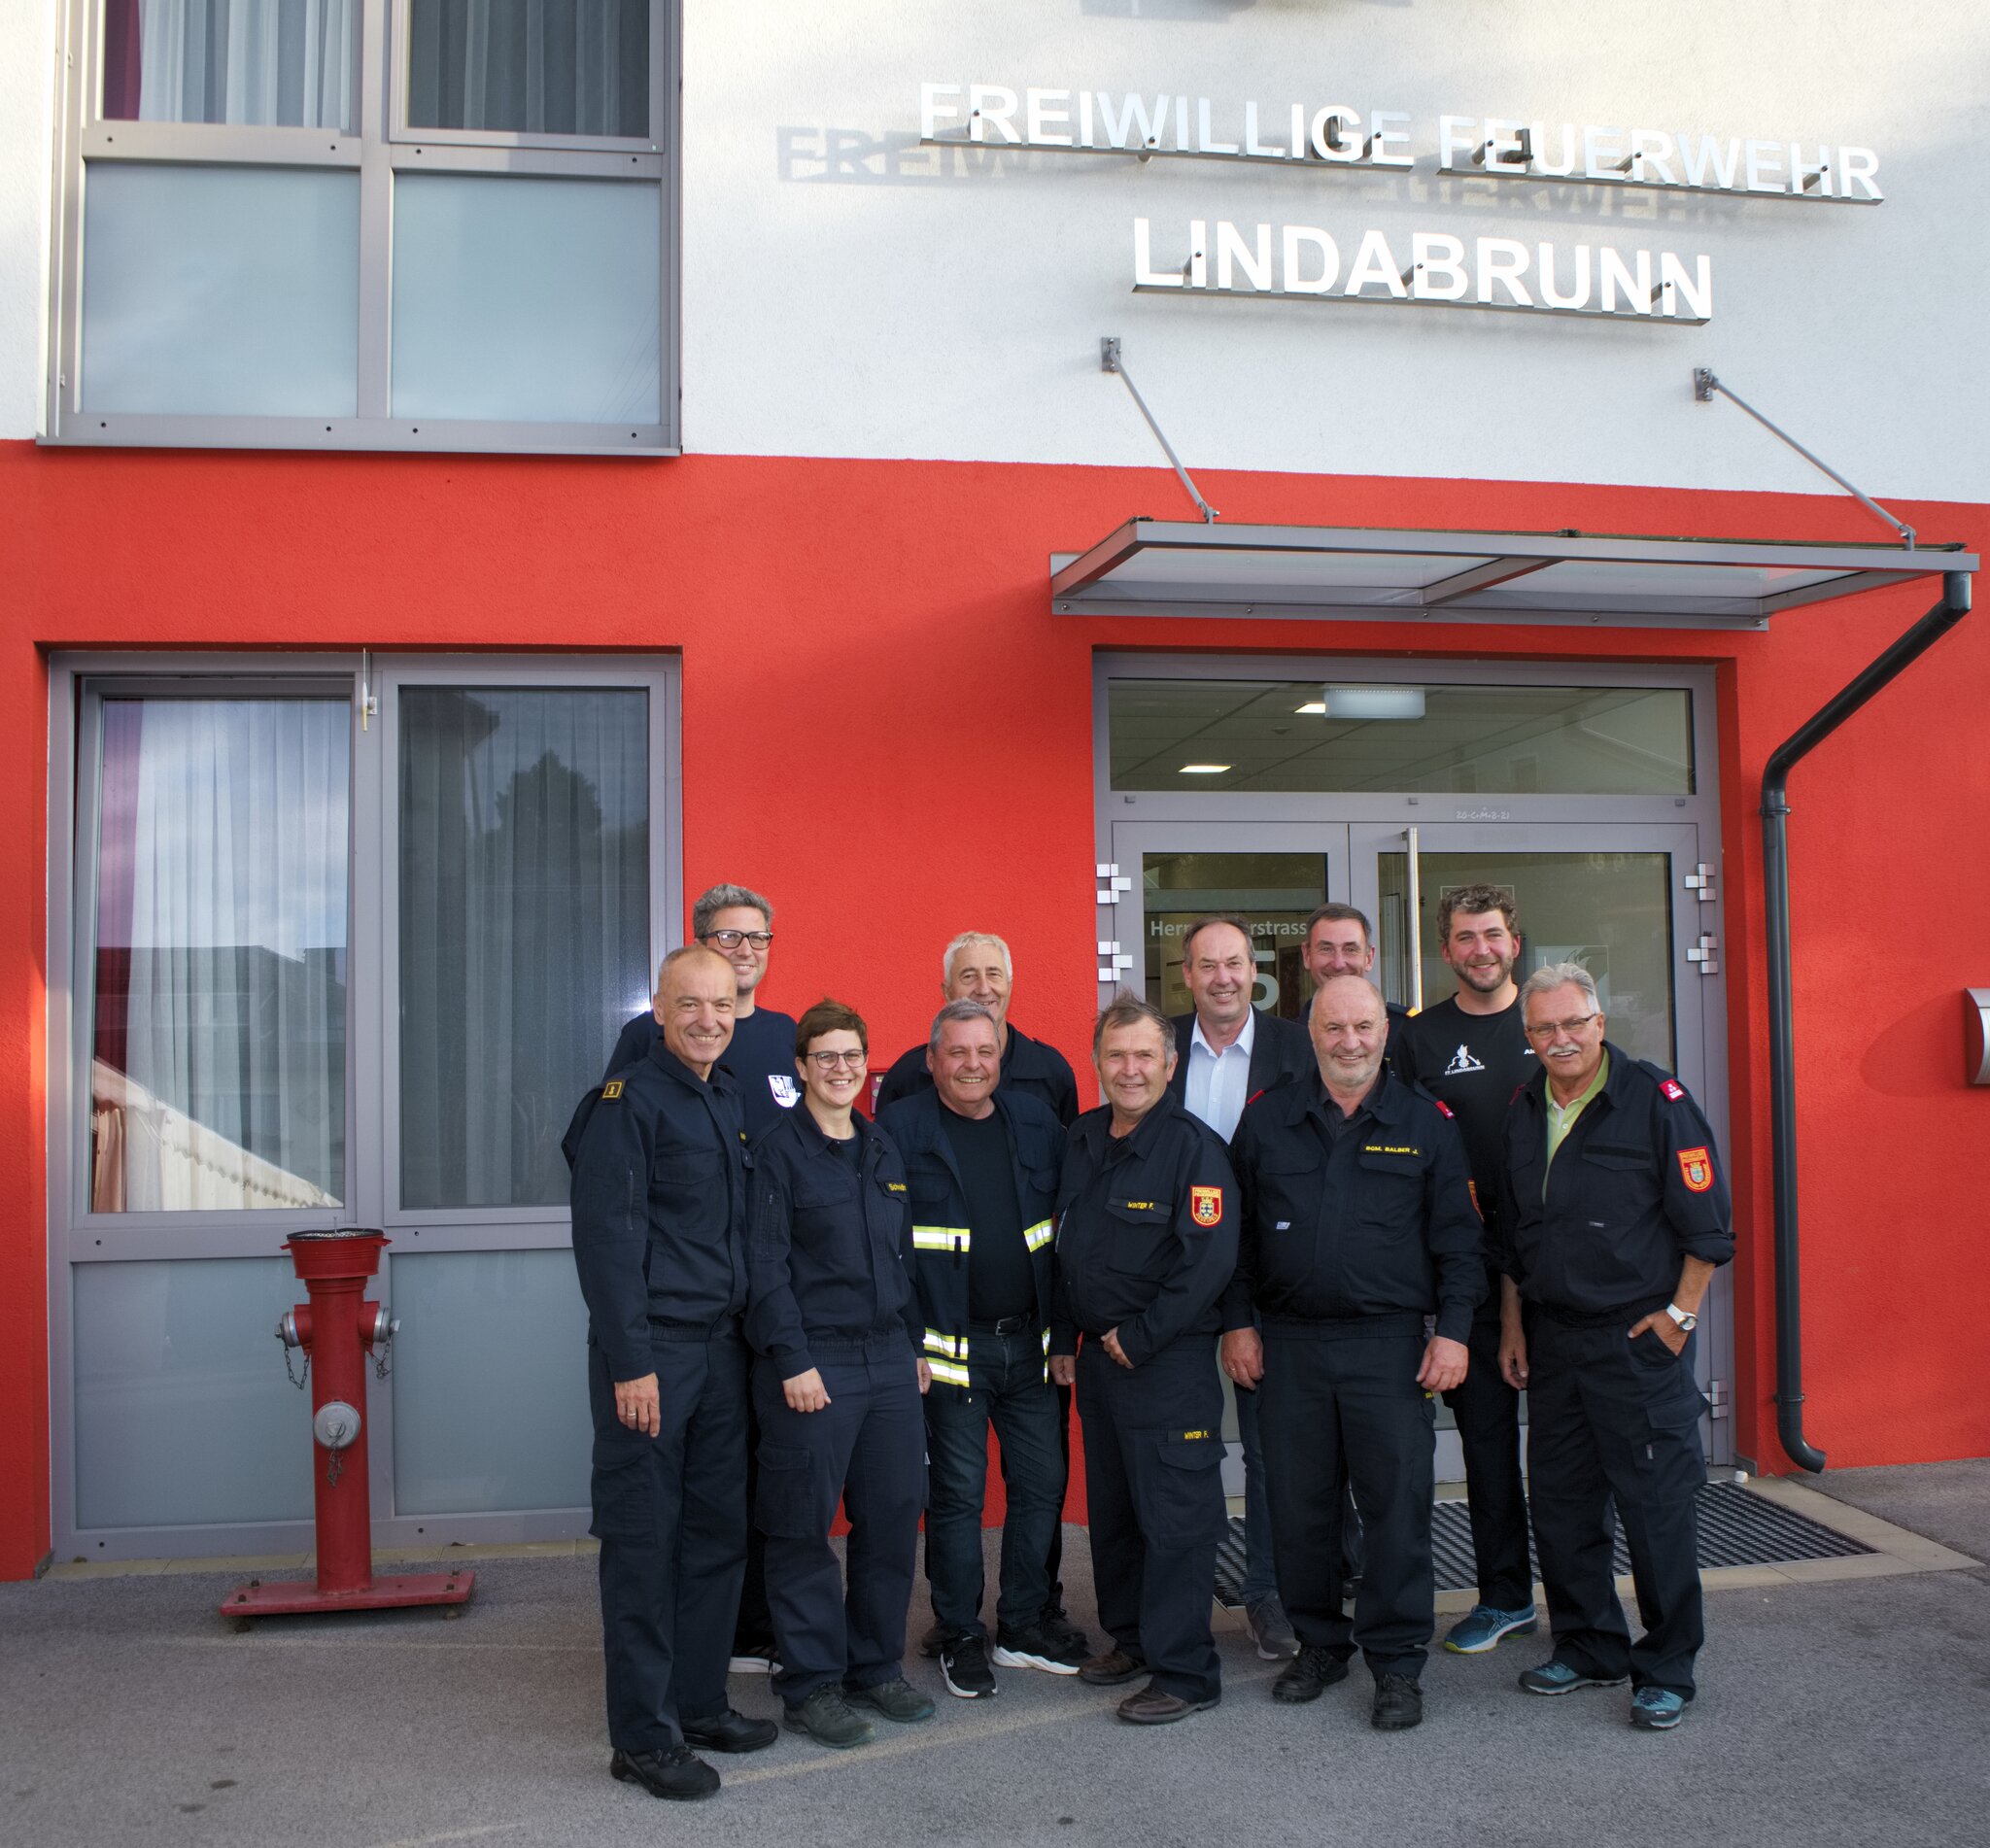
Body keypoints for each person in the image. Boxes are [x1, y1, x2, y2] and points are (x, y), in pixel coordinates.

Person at [1222, 975, 1484, 1731]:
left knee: (1396, 1510)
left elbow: (1459, 1242)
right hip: (1290, 1345)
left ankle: (1397, 1663)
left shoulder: (1425, 1122)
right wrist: (1237, 1324)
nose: (1349, 1042)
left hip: (1388, 1348)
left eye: (1363, 1027)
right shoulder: (1267, 1119)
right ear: (1311, 1034)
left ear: (1384, 1032)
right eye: (1333, 1028)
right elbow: (1235, 1239)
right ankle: (1320, 1646)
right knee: (1299, 1508)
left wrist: (1454, 1331)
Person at [564, 944, 777, 1803]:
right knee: (644, 1545)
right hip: (653, 1356)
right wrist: (632, 1364)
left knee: (716, 1537)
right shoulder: (627, 1104)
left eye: (721, 1005)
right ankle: (645, 1739)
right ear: (658, 1010)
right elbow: (608, 1243)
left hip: (721, 1353)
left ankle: (697, 1704)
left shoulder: (726, 1097)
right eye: (690, 1004)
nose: (707, 1020)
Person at [1500, 963, 1733, 1731]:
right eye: (1544, 1028)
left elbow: (1708, 1227)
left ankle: (1667, 1668)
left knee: (1655, 1509)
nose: (1560, 1039)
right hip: (1554, 1341)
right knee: (1562, 1506)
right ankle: (1589, 1646)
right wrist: (1514, 1327)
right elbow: (1514, 1238)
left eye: (1574, 1023)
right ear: (1528, 1036)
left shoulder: (1658, 1102)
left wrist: (1681, 1318)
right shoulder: (1524, 1107)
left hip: (1637, 1342)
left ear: (1599, 1022)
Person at [603, 882, 796, 1676]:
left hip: (743, 1320)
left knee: (728, 1506)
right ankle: (651, 1716)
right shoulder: (637, 1076)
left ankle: (714, 1677)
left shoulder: (757, 1062)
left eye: (757, 938)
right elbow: (610, 1215)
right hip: (665, 1334)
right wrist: (630, 1355)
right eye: (727, 938)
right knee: (651, 1524)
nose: (710, 1018)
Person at [875, 930, 1085, 1650]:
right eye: (957, 1053)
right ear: (932, 1061)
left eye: (984, 1052)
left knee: (1041, 1488)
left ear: (1001, 1057)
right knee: (958, 1496)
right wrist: (907, 1343)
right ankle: (958, 1630)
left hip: (1030, 1348)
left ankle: (1023, 1622)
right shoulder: (899, 1128)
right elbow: (886, 1246)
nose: (972, 1064)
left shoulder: (1037, 1121)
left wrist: (1065, 1334)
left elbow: (1063, 1234)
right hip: (948, 1352)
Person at [745, 998, 935, 1750]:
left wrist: (914, 1345)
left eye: (852, 1055)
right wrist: (791, 1359)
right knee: (802, 1529)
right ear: (801, 1068)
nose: (840, 1068)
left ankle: (874, 1667)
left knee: (891, 1521)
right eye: (825, 1056)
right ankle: (811, 1686)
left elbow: (902, 1257)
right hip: (813, 1363)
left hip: (888, 1359)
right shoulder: (776, 1153)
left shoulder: (881, 1147)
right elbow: (764, 1267)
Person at [1049, 993, 1237, 1726]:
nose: (1130, 1069)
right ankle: (1131, 1641)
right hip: (1099, 1362)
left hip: (1164, 1365)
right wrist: (1065, 1336)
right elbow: (1065, 1246)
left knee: (1176, 1521)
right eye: (1116, 1055)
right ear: (1098, 1063)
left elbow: (1206, 1264)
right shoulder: (1083, 1137)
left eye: (1144, 1056)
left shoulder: (1195, 1150)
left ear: (1170, 1064)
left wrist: (1143, 1335)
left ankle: (1187, 1672)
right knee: (1117, 1515)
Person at [1392, 883, 1538, 1655]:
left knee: (1573, 1452)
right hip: (1472, 1273)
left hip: (1560, 1271)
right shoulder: (1420, 1038)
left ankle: (1587, 1607)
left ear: (1514, 941)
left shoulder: (1549, 1019)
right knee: (1486, 1447)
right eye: (1465, 937)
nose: (1481, 949)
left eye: (1492, 934)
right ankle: (1505, 1597)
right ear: (1445, 951)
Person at [1164, 915, 1314, 1662]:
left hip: (1269, 1275)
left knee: (1269, 1449)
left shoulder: (1298, 1047)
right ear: (1186, 975)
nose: (1223, 977)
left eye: (1235, 963)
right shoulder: (1159, 1046)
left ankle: (1268, 1592)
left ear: (1253, 971)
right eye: (1207, 965)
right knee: (1177, 1447)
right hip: (1175, 1277)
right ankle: (1174, 1601)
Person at [606, 882, 801, 1140]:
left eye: (758, 938)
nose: (746, 951)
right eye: (729, 936)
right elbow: (610, 1137)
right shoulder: (652, 1030)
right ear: (698, 946)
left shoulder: (786, 1032)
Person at [874, 932, 1081, 1126]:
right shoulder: (906, 1077)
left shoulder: (1052, 1072)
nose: (983, 988)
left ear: (1009, 986)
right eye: (968, 976)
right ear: (946, 991)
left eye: (993, 974)